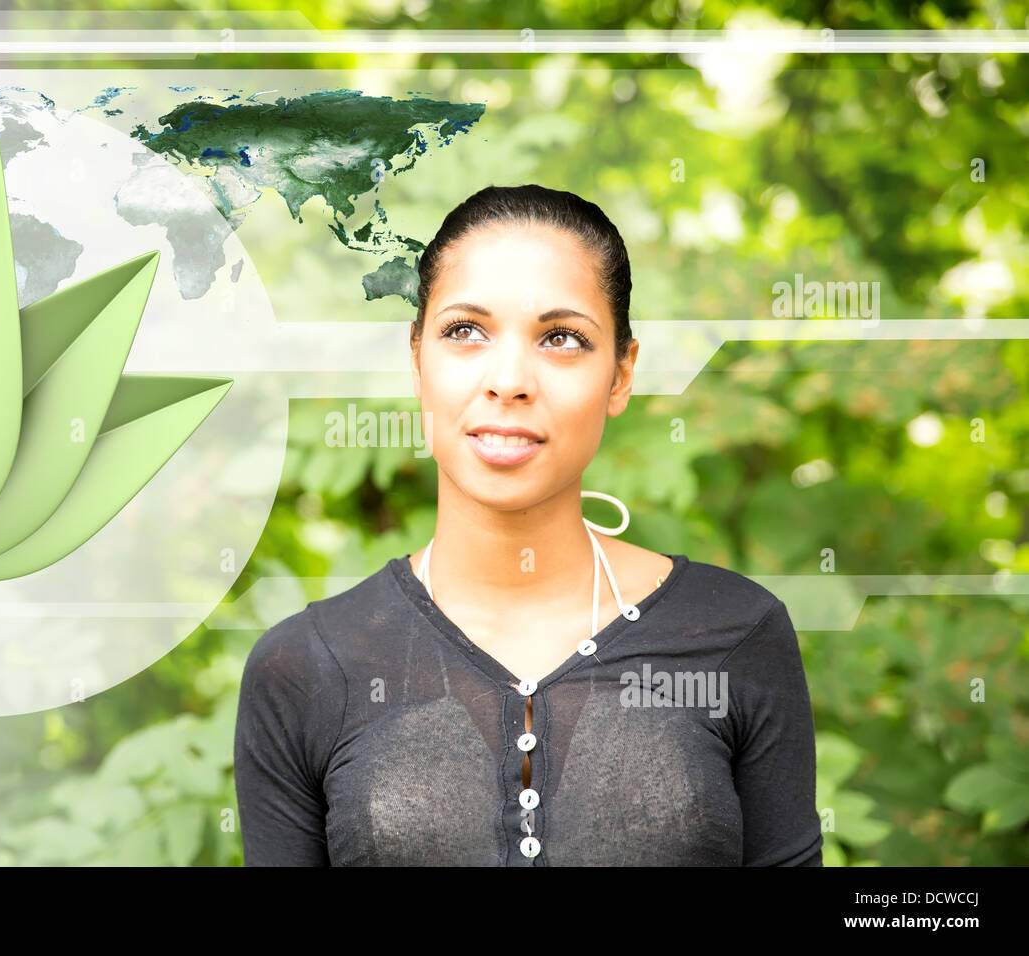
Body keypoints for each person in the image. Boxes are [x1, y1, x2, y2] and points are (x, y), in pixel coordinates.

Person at [233, 184, 823, 866]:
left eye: (561, 338)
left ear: (621, 374)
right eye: (465, 331)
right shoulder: (305, 668)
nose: (508, 379)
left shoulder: (736, 635)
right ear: (417, 356)